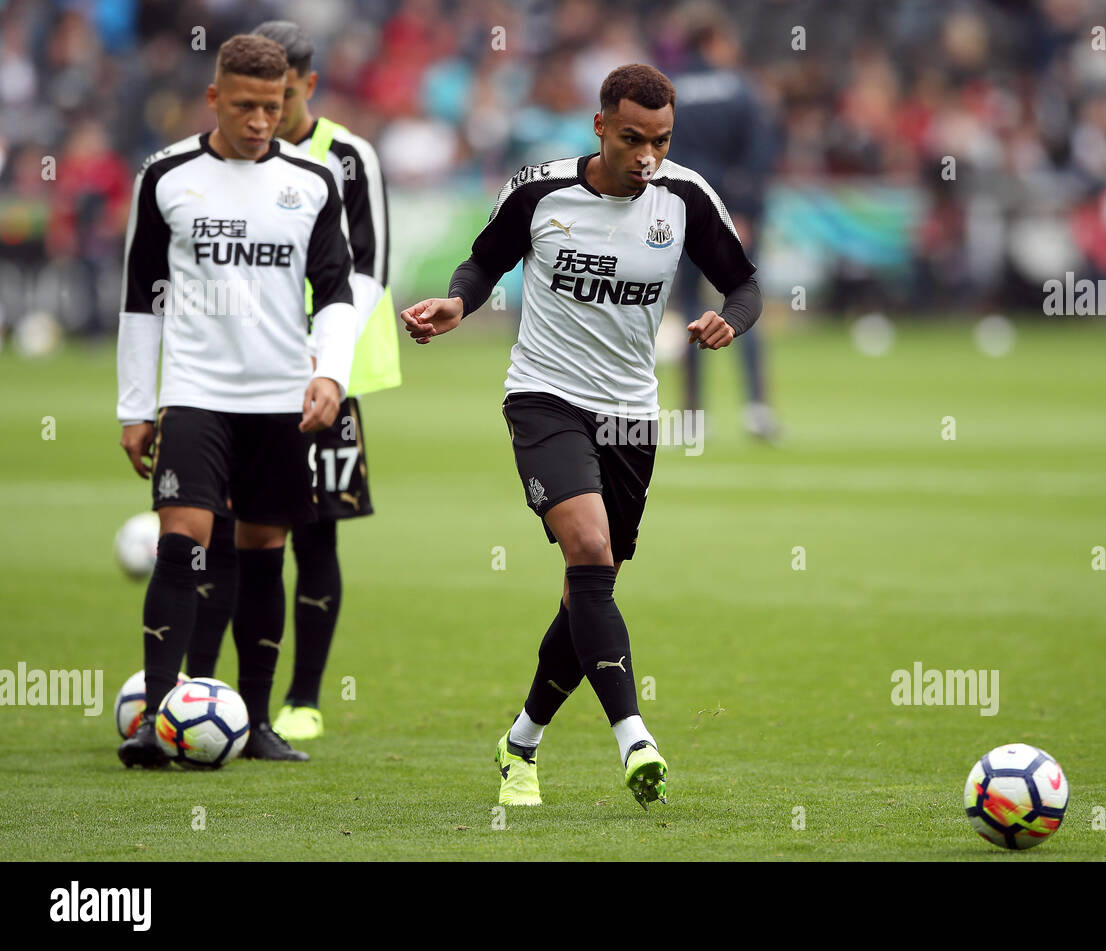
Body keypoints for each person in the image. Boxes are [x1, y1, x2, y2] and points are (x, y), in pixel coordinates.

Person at [400, 63, 761, 808]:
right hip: (545, 398)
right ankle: (634, 737)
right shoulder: (539, 191)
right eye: (632, 138)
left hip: (630, 414)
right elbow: (485, 259)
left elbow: (746, 282)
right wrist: (458, 304)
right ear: (601, 127)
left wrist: (734, 317)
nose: (647, 156)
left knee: (587, 590)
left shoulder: (686, 198)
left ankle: (521, 741)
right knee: (590, 550)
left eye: (660, 140)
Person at [115, 34, 358, 766]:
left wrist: (332, 375)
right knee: (182, 541)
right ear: (215, 98)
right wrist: (135, 404)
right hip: (195, 391)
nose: (260, 120)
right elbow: (140, 297)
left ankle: (252, 721)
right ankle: (161, 720)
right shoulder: (166, 176)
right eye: (246, 105)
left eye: (273, 104)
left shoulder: (314, 182)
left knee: (263, 552)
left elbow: (338, 291)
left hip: (282, 394)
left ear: (289, 99)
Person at [183, 19, 401, 744]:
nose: (269, 112)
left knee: (315, 536)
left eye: (283, 96)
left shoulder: (346, 157)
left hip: (329, 379)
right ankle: (200, 686)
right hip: (241, 374)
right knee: (220, 528)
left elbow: (370, 268)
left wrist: (326, 355)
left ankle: (302, 696)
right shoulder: (225, 159)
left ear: (304, 85)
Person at [669, 2, 779, 439]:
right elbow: (757, 156)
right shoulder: (741, 90)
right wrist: (746, 211)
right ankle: (756, 409)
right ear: (713, 39)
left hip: (682, 216)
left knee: (689, 311)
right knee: (742, 305)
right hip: (731, 216)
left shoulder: (668, 90)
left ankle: (693, 416)